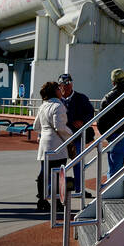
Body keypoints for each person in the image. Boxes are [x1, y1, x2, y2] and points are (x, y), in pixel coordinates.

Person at [34, 81, 72, 211]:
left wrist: (43, 133)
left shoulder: (43, 105)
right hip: (57, 144)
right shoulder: (58, 105)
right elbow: (59, 126)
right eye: (59, 88)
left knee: (43, 173)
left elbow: (36, 126)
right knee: (58, 174)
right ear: (55, 91)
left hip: (44, 144)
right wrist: (71, 136)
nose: (61, 90)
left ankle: (42, 200)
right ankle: (58, 202)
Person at [57, 73, 95, 194]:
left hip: (77, 137)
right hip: (60, 138)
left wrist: (83, 121)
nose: (67, 86)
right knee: (58, 164)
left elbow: (90, 112)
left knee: (78, 163)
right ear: (59, 85)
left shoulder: (81, 98)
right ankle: (57, 190)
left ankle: (79, 189)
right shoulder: (56, 100)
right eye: (64, 84)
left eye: (69, 83)